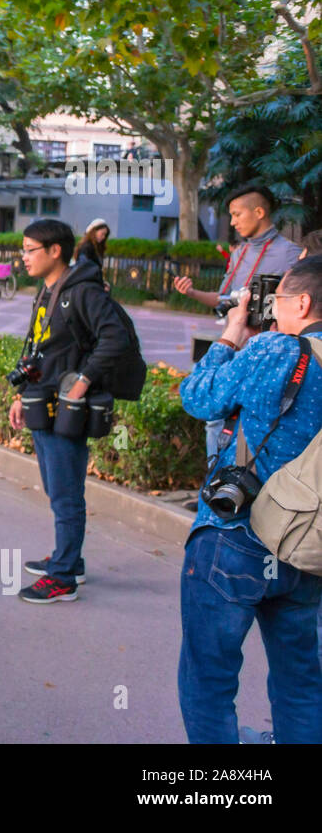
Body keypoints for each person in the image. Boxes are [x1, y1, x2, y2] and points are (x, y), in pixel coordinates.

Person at [176, 255, 322, 743]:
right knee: (301, 683)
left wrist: (232, 332)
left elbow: (198, 397)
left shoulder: (276, 350)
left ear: (301, 302)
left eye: (278, 299)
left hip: (237, 537)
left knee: (210, 683)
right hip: (309, 547)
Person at [8, 219, 132, 603]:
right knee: (55, 487)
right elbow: (39, 348)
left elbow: (116, 338)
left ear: (54, 251)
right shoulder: (48, 290)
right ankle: (68, 559)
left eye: (30, 249)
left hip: (66, 408)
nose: (23, 257)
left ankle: (62, 577)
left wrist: (82, 381)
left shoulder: (82, 292)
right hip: (41, 403)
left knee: (65, 494)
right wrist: (20, 394)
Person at [173, 185, 301, 459]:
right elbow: (225, 300)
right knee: (215, 419)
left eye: (236, 214)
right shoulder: (240, 252)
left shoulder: (291, 254)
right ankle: (216, 483)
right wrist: (192, 292)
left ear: (259, 211)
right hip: (232, 344)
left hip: (268, 351)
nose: (232, 222)